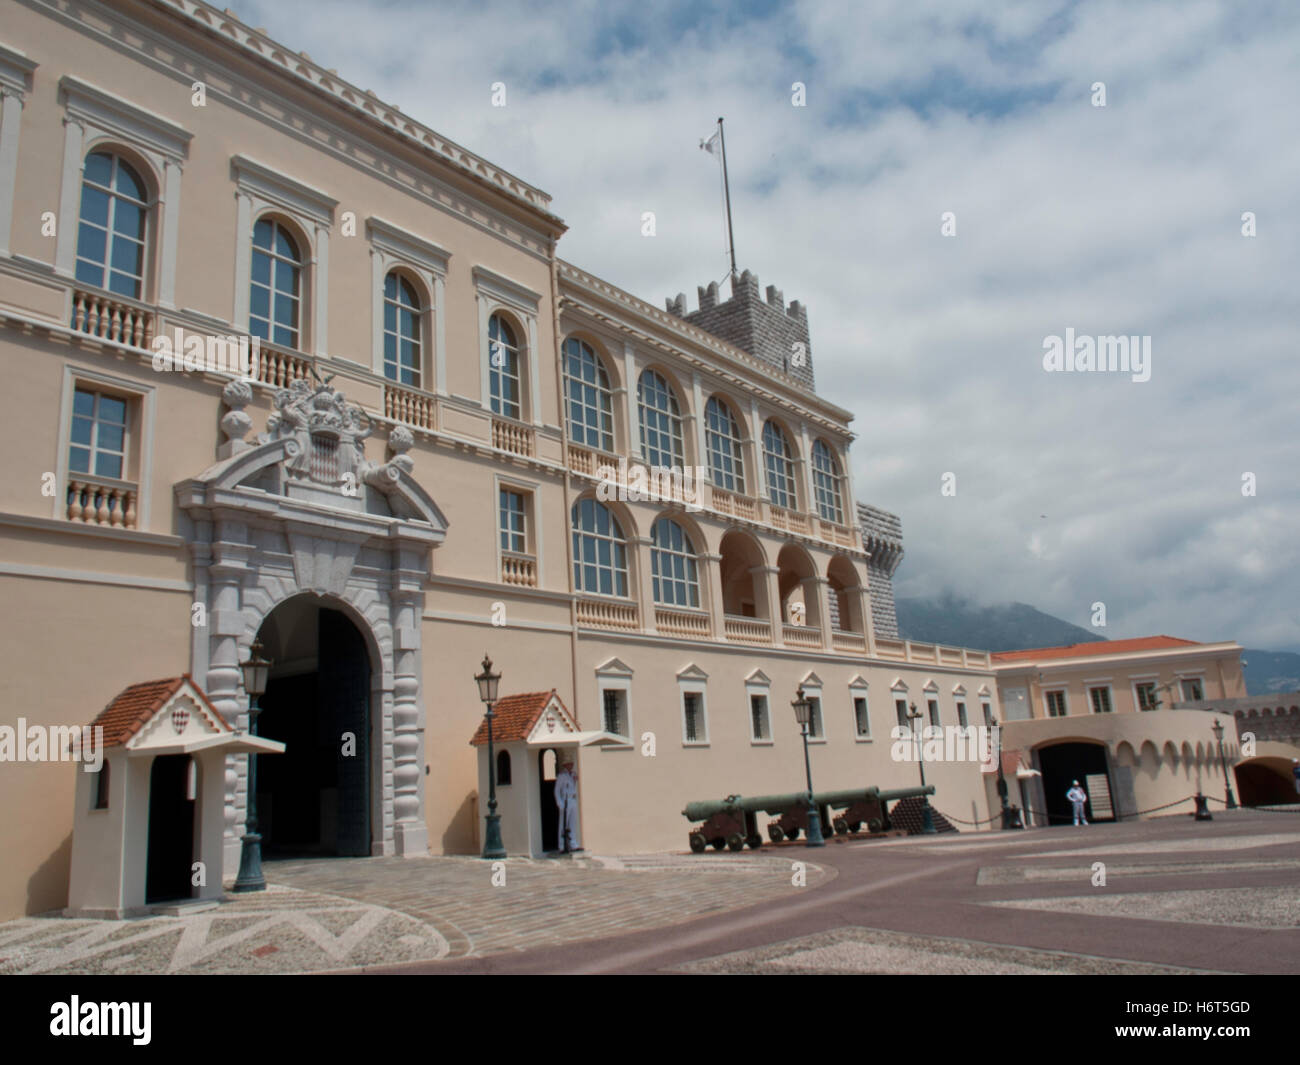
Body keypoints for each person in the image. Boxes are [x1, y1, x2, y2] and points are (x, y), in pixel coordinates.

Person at [555, 758, 579, 853]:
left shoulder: (573, 774)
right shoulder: (562, 776)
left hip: (572, 799)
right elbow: (557, 790)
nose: (571, 766)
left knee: (572, 823)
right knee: (563, 824)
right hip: (565, 800)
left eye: (571, 764)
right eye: (569, 764)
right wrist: (559, 802)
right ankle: (561, 846)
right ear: (565, 765)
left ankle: (573, 844)